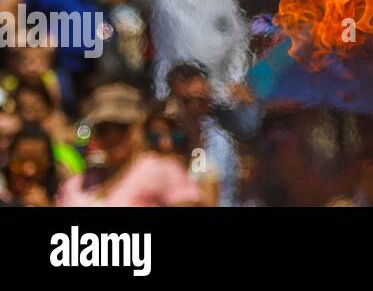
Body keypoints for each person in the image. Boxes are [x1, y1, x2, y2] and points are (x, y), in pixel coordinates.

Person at [55, 82, 202, 207]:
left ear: (138, 127)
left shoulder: (161, 170)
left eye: (120, 127)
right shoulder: (77, 184)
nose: (113, 136)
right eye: (103, 129)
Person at [165, 63, 239, 207]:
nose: (194, 109)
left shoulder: (219, 142)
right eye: (185, 101)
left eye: (202, 102)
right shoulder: (163, 140)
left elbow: (223, 196)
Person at [0, 123, 59, 206]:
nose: (29, 171)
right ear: (9, 158)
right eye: (21, 161)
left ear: (49, 162)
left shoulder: (64, 191)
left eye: (38, 162)